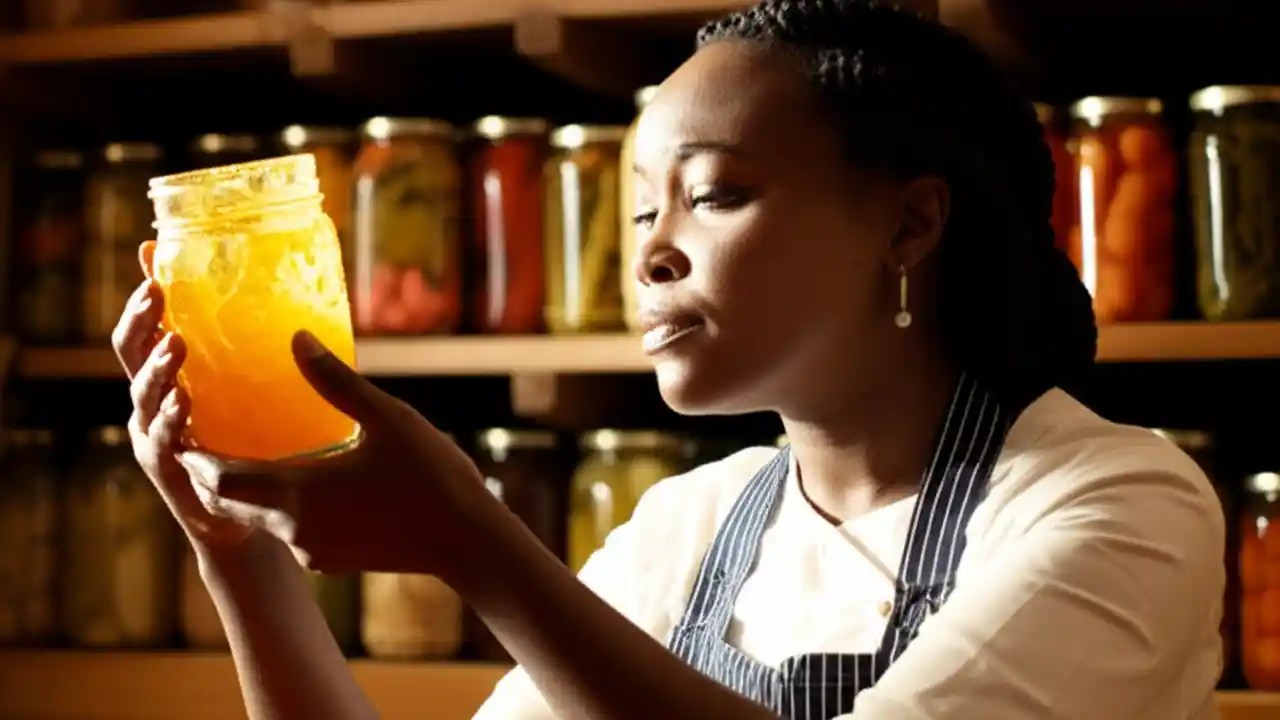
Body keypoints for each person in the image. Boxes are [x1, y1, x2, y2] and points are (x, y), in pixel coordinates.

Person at [112, 0, 1225, 718]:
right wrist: (238, 553)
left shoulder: (1118, 503)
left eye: (713, 196)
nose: (648, 252)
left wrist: (476, 544)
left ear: (908, 226)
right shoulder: (689, 529)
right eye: (639, 207)